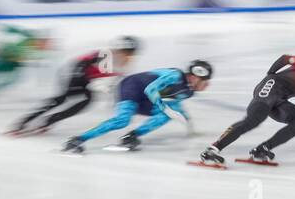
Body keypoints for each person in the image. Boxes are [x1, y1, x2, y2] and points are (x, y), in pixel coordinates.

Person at [196, 47, 295, 168]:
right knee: (254, 120)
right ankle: (212, 149)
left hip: (280, 99)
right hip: (271, 87)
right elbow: (286, 58)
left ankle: (262, 149)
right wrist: (270, 76)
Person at [62, 60, 213, 154]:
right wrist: (165, 107)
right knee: (122, 120)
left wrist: (189, 125)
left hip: (146, 98)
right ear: (195, 76)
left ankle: (131, 136)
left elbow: (176, 106)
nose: (206, 85)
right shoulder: (175, 75)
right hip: (132, 86)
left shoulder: (188, 92)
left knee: (165, 115)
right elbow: (151, 90)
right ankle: (77, 140)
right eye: (204, 81)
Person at [8, 36, 140, 136]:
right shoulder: (107, 54)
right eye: (127, 52)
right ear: (121, 49)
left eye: (131, 54)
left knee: (85, 101)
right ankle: (24, 122)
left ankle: (49, 120)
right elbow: (82, 63)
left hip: (85, 78)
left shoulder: (123, 62)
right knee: (63, 99)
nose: (128, 56)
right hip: (75, 72)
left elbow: (112, 82)